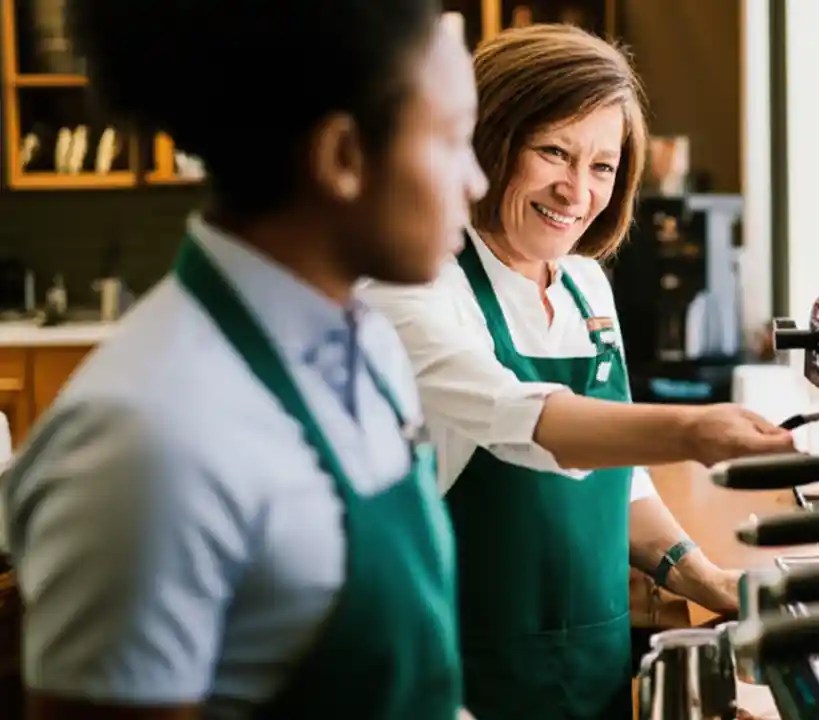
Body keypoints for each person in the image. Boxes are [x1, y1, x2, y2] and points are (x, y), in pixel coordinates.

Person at [1, 1, 487, 718]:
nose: (475, 182)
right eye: (454, 141)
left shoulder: (372, 346)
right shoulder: (144, 442)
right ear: (342, 157)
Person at [360, 24, 793, 720]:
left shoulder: (588, 285)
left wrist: (701, 574)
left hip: (593, 674)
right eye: (553, 152)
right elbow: (521, 420)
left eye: (602, 165)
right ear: (486, 140)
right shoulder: (415, 289)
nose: (576, 191)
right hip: (469, 682)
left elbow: (616, 478)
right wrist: (692, 429)